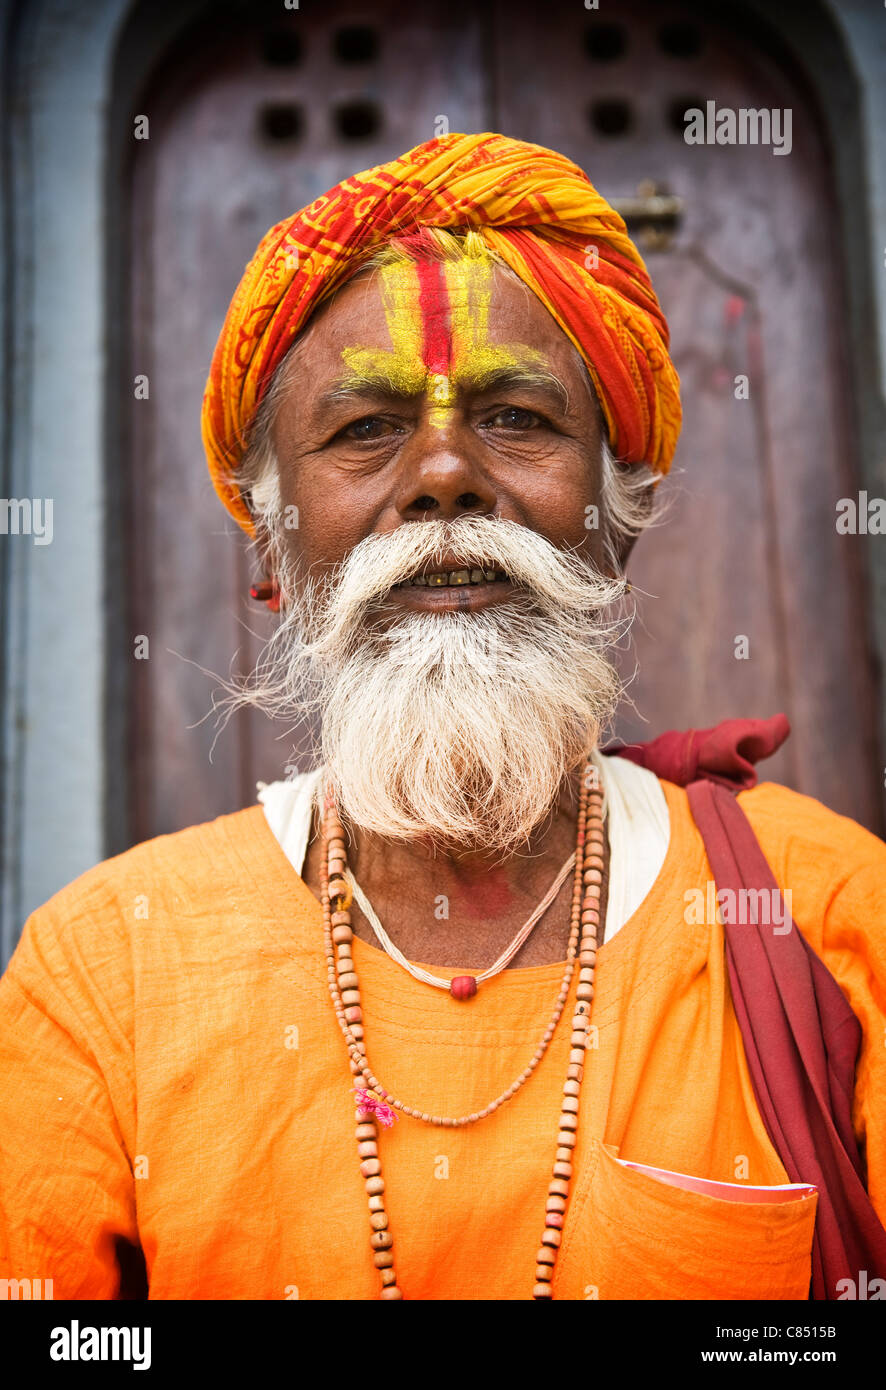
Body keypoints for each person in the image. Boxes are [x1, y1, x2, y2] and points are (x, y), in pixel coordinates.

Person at [1, 132, 883, 1301]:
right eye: (364, 431)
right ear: (273, 545)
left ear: (613, 524)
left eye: (516, 417)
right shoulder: (103, 964)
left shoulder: (827, 909)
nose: (444, 474)